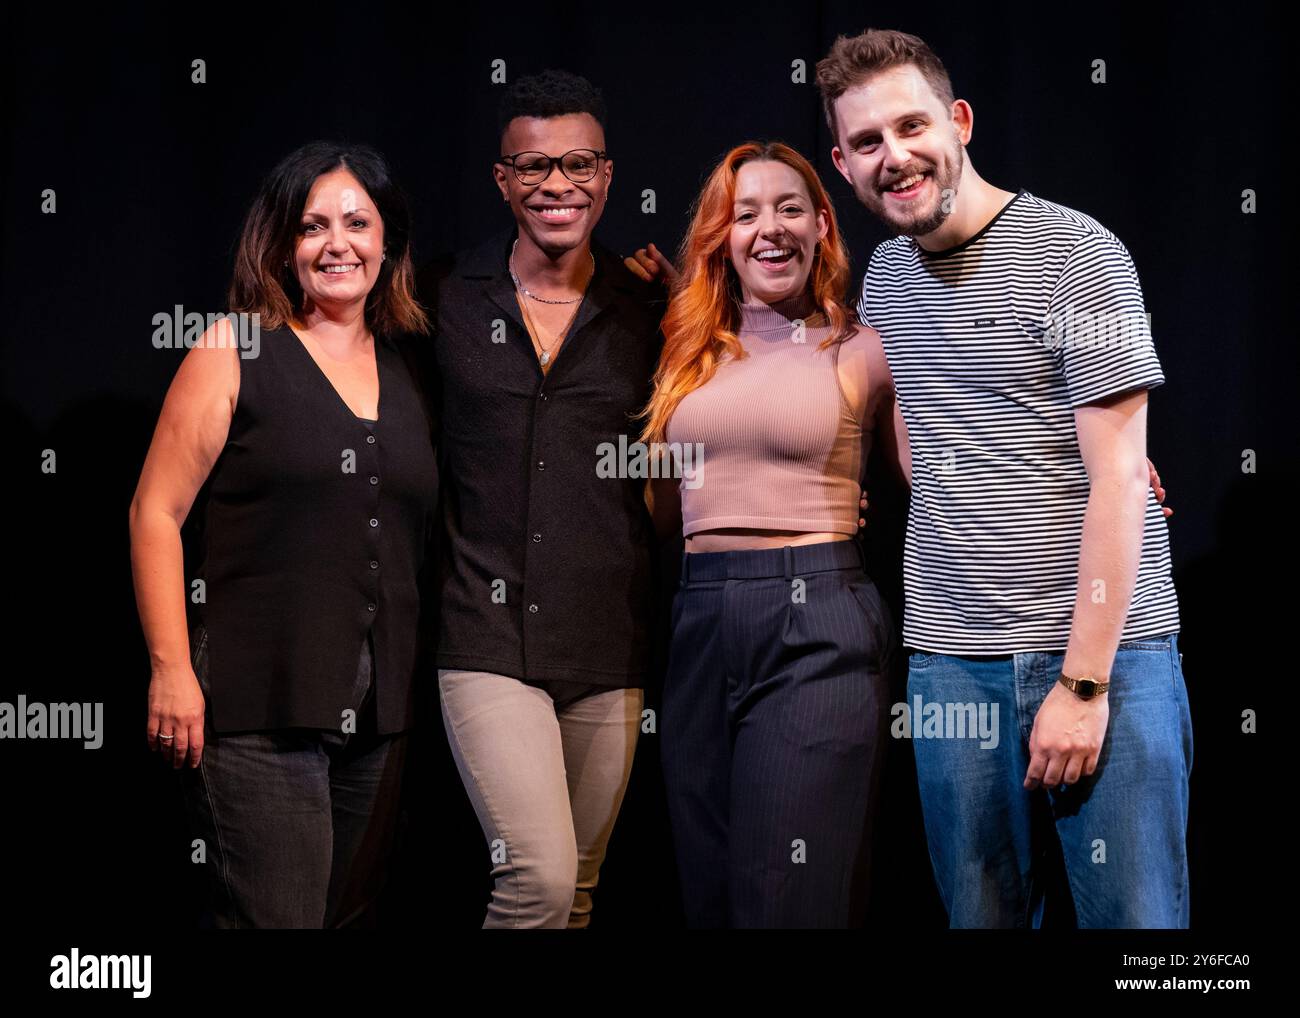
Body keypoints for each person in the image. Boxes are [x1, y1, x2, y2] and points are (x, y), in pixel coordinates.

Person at [816, 28, 1191, 927]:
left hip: (1108, 662)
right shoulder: (888, 276)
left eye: (911, 127)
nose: (893, 158)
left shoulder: (1076, 254)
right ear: (842, 162)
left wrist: (1083, 685)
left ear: (960, 120)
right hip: (951, 665)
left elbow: (1118, 481)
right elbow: (920, 438)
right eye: (866, 143)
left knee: (1140, 939)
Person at [129, 141, 438, 928]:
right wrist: (170, 669)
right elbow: (154, 513)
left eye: (358, 223)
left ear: (387, 242)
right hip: (254, 707)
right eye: (312, 227)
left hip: (378, 718)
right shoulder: (233, 350)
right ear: (281, 244)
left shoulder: (410, 368)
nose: (338, 244)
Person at [420, 70, 664, 928]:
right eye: (533, 166)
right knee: (539, 882)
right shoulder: (442, 297)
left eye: (578, 164)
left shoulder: (652, 308)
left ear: (607, 175)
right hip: (483, 636)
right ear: (502, 178)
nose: (556, 183)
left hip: (609, 642)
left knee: (578, 898)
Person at [640, 141, 900, 928]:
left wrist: (1095, 470)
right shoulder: (686, 349)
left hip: (816, 621)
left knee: (785, 899)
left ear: (824, 224)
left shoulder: (860, 346)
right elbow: (660, 498)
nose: (769, 228)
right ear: (721, 234)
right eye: (745, 213)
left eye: (790, 208)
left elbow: (944, 471)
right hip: (698, 624)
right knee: (710, 893)